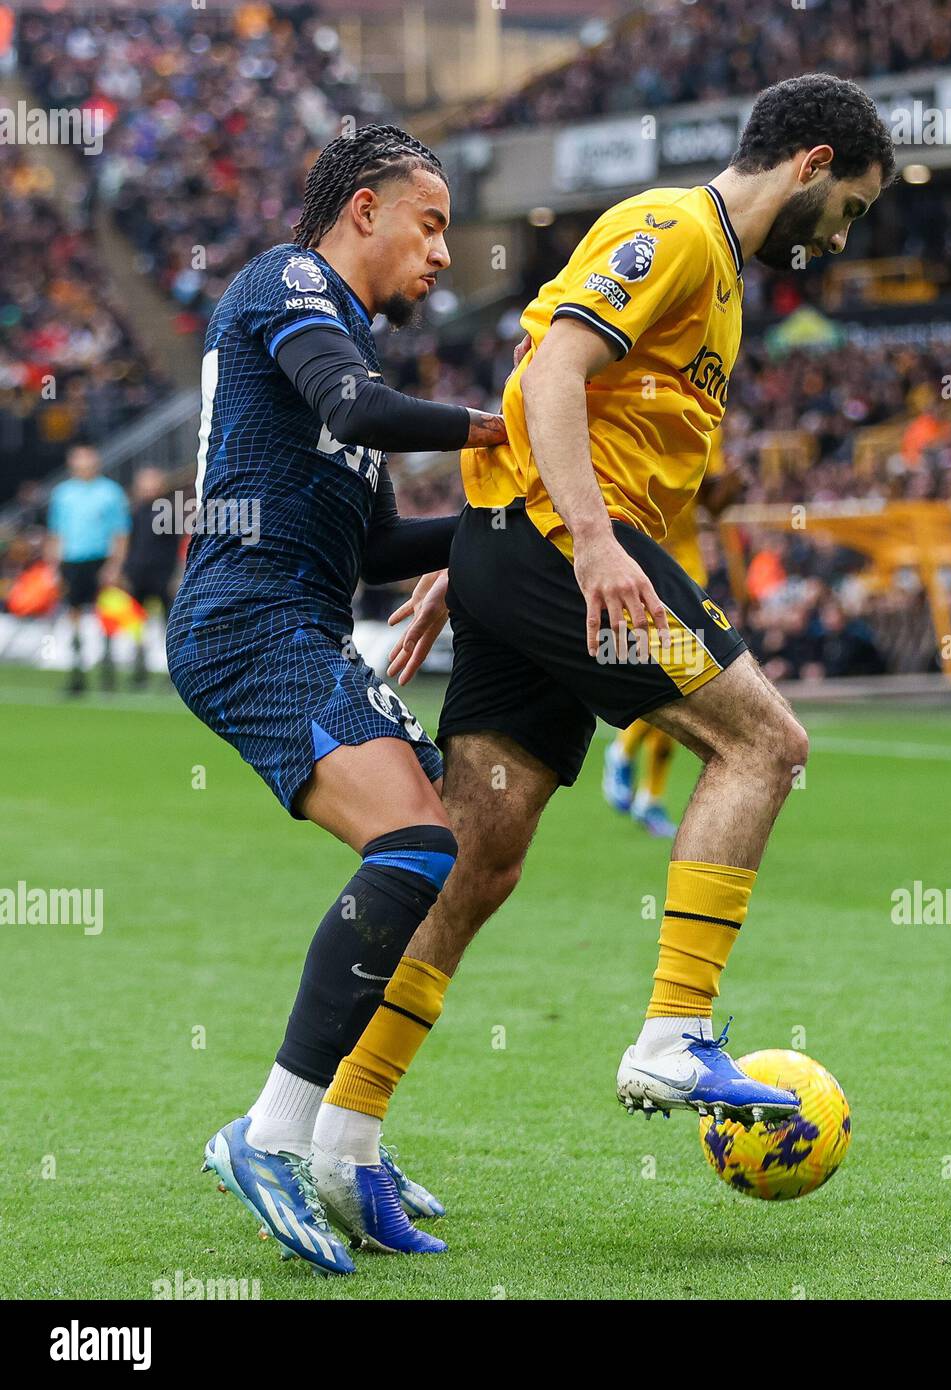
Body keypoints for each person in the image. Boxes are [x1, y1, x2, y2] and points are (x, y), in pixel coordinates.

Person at [317, 75, 894, 1231]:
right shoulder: (672, 228)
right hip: (557, 551)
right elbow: (553, 372)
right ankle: (677, 1031)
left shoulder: (719, 284)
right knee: (765, 745)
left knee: (474, 861)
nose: (845, 235)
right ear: (815, 164)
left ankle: (340, 1137)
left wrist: (479, 554)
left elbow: (574, 404)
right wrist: (572, 540)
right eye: (855, 207)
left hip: (527, 552)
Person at [168, 124, 506, 1274]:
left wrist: (504, 531)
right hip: (247, 621)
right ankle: (267, 1135)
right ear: (364, 209)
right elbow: (359, 412)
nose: (445, 255)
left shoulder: (345, 339)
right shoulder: (291, 280)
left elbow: (369, 548)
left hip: (302, 619)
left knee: (435, 853)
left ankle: (340, 1143)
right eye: (433, 223)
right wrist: (497, 434)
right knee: (415, 847)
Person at [602, 444, 744, 837]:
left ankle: (649, 795)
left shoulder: (709, 419)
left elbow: (709, 507)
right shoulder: (638, 411)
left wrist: (728, 489)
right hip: (642, 570)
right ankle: (625, 752)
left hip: (688, 573)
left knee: (685, 687)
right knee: (673, 685)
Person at [45, 444, 129, 695]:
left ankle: (108, 668)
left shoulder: (110, 492)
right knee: (74, 614)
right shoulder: (62, 493)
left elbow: (121, 533)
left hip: (100, 558)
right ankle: (77, 670)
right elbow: (56, 532)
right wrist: (53, 565)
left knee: (106, 613)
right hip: (72, 560)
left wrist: (115, 565)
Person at [121, 466, 181, 687]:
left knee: (168, 625)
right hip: (138, 575)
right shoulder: (135, 513)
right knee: (136, 624)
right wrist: (126, 572)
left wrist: (175, 576)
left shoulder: (168, 512)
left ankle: (171, 670)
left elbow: (176, 548)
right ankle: (140, 667)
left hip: (162, 576)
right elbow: (130, 545)